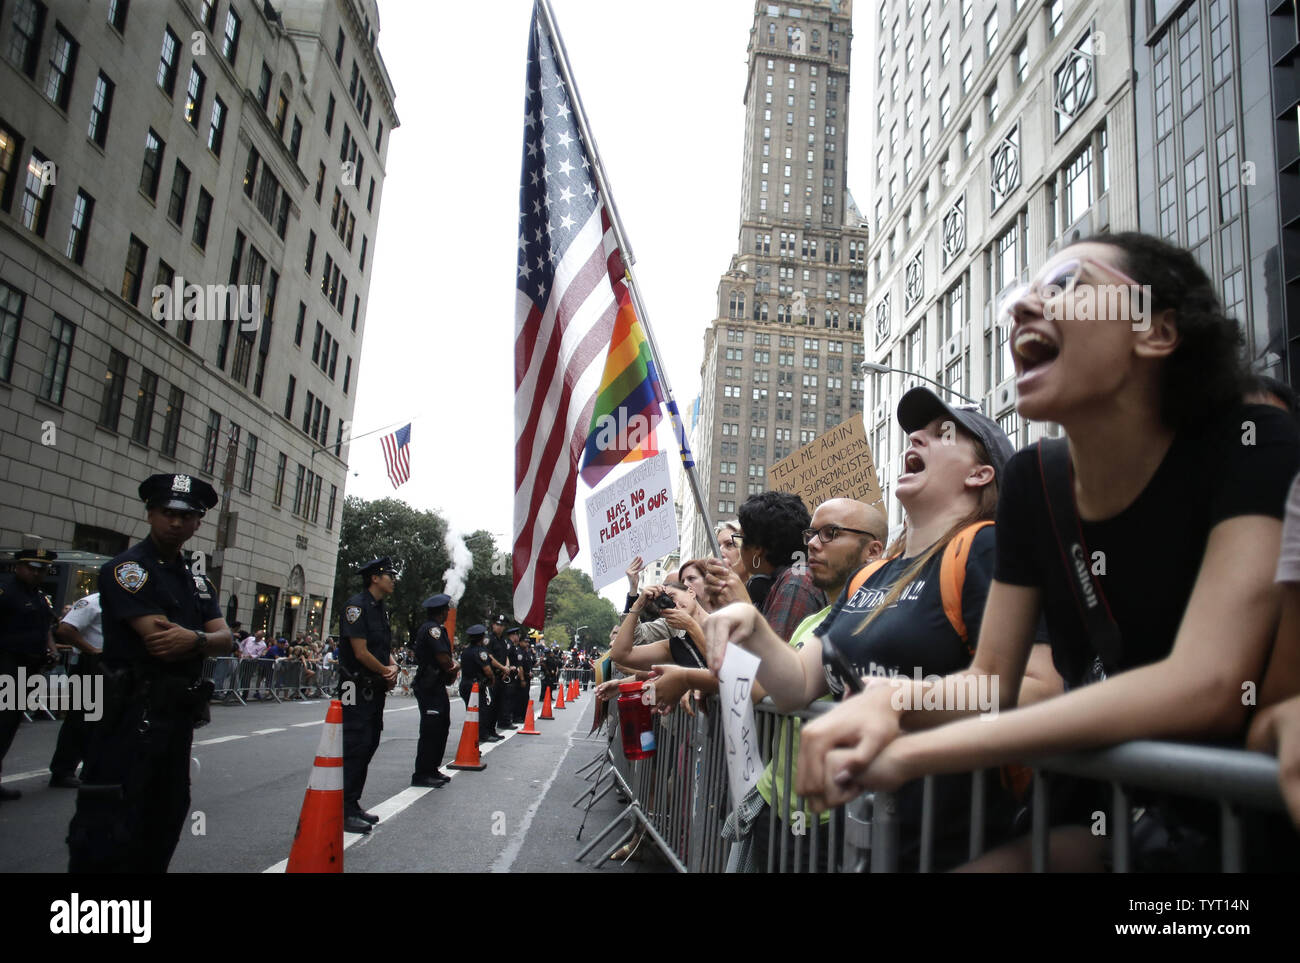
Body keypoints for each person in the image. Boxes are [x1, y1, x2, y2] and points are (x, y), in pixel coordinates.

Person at [789, 233, 1300, 871]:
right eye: (1023, 293)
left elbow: (1212, 681)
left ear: (1157, 331)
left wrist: (909, 748)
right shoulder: (1034, 483)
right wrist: (890, 699)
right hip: (1156, 822)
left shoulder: (1255, 440)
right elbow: (989, 682)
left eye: (1065, 286)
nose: (1024, 307)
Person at [706, 394, 1046, 870]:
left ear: (980, 474)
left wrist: (900, 700)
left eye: (942, 433)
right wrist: (755, 628)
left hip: (953, 845)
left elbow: (1039, 691)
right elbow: (797, 686)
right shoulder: (871, 578)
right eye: (915, 431)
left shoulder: (985, 548)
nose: (916, 436)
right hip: (863, 840)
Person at [67, 473, 232, 872]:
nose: (175, 522)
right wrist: (203, 639)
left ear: (198, 522)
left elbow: (226, 639)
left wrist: (194, 640)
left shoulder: (197, 580)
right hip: (130, 715)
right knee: (111, 823)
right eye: (166, 512)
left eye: (186, 515)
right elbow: (160, 640)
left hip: (176, 716)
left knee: (165, 817)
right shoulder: (128, 569)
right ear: (150, 513)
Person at [718, 498, 887, 871]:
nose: (812, 543)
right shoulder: (815, 624)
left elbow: (758, 690)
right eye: (812, 534)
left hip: (828, 823)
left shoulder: (881, 622)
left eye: (831, 534)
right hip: (775, 808)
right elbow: (781, 688)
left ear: (873, 550)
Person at [338, 556, 400, 834]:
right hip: (355, 687)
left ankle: (352, 803)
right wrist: (387, 672)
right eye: (389, 575)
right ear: (375, 577)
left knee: (369, 742)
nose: (393, 579)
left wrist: (392, 664)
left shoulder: (381, 610)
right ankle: (342, 808)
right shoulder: (356, 607)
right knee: (354, 744)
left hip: (373, 688)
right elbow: (361, 652)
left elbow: (381, 646)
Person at [0, 548, 60, 800]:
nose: (37, 573)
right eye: (32, 568)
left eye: (42, 570)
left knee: (9, 725)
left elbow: (46, 626)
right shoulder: (5, 592)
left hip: (28, 669)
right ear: (19, 567)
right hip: (6, 666)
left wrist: (53, 649)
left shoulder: (39, 597)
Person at [736, 491, 828, 640]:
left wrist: (741, 605)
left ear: (758, 548)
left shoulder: (796, 582)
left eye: (740, 538)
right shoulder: (794, 577)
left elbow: (770, 660)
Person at [48, 591, 106, 789]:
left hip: (110, 668)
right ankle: (63, 770)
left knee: (102, 721)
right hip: (90, 664)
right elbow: (65, 630)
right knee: (80, 720)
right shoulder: (91, 602)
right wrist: (92, 650)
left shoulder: (123, 603)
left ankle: (92, 767)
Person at [412, 594, 457, 787]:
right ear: (441, 611)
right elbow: (442, 657)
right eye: (446, 609)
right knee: (431, 729)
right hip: (429, 684)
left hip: (436, 684)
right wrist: (454, 666)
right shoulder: (432, 630)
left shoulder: (438, 629)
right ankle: (422, 773)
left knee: (441, 726)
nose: (448, 612)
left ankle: (432, 768)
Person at [458, 624, 498, 741]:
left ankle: (472, 735)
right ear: (481, 638)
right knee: (481, 711)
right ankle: (482, 734)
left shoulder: (465, 651)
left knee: (470, 712)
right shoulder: (480, 652)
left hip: (465, 684)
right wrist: (492, 680)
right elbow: (487, 670)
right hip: (476, 686)